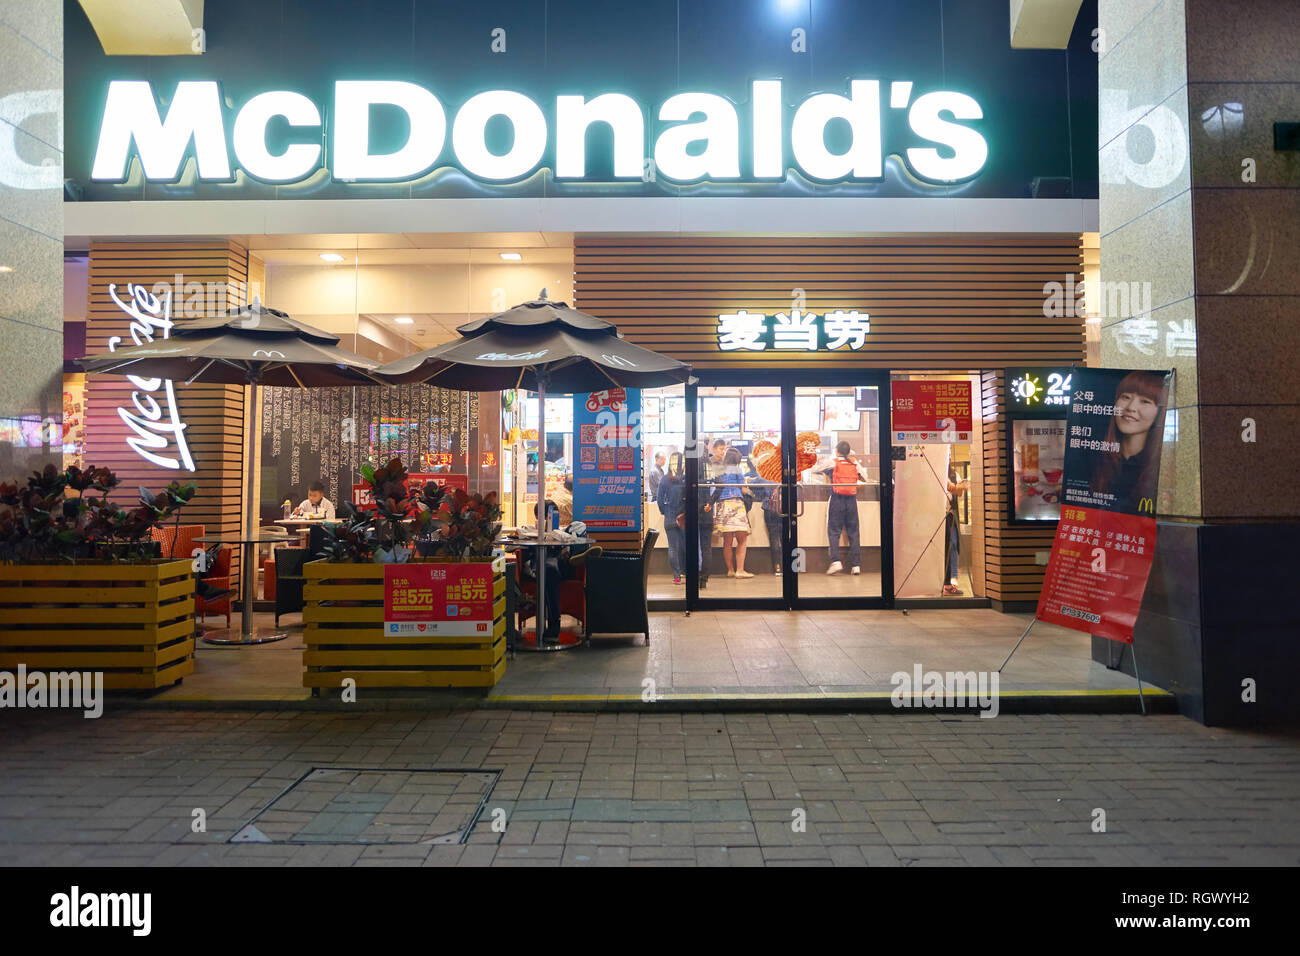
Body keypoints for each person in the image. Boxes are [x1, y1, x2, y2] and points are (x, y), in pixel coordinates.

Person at [1088, 371, 1169, 513]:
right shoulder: (1094, 460)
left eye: (1145, 401)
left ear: (1160, 412)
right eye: (1125, 397)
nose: (1131, 407)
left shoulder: (1161, 468)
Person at [805, 440, 868, 575]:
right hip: (851, 500)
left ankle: (835, 562)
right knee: (854, 532)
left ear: (837, 450)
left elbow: (813, 470)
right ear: (849, 451)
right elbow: (865, 478)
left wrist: (821, 464)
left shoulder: (832, 462)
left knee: (834, 531)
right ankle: (856, 565)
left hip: (837, 499)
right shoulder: (854, 462)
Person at [709, 447, 753, 578]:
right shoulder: (737, 470)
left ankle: (730, 570)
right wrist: (751, 491)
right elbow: (744, 490)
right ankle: (740, 570)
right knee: (742, 539)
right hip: (736, 505)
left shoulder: (719, 470)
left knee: (727, 541)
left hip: (722, 505)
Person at [656, 451, 694, 585]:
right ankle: (686, 572)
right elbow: (691, 499)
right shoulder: (686, 479)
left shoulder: (665, 479)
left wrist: (665, 512)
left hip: (670, 516)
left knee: (673, 547)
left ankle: (677, 576)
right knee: (686, 546)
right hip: (684, 517)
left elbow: (659, 500)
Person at [943, 467, 971, 595]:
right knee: (945, 546)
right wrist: (964, 485)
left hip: (951, 514)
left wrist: (961, 486)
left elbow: (958, 493)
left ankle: (952, 579)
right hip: (939, 515)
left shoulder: (953, 473)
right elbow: (953, 488)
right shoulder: (938, 470)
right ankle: (946, 583)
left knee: (953, 544)